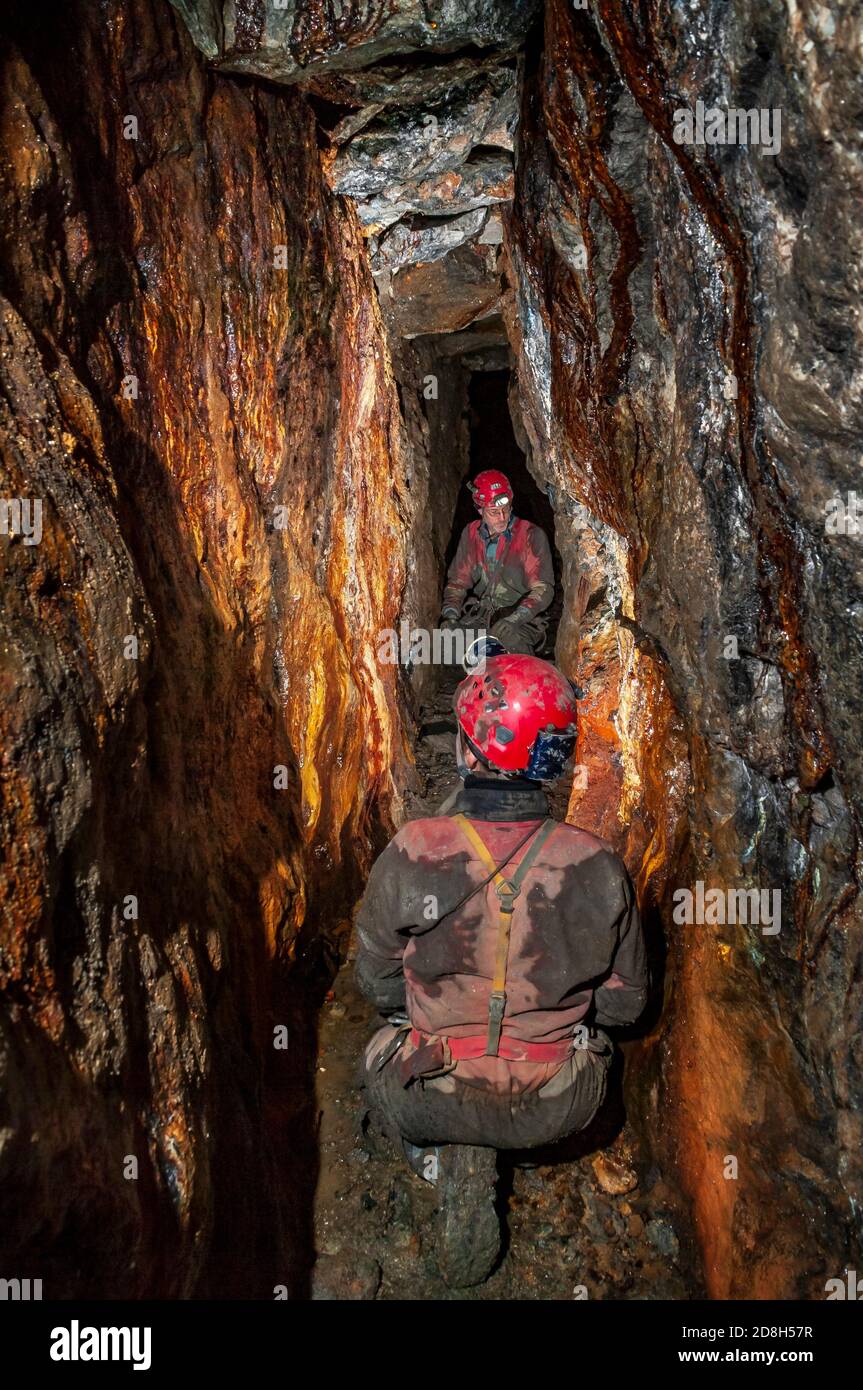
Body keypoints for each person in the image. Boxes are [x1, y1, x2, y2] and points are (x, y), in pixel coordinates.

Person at [355, 652, 648, 1172]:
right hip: (556, 1106)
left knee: (379, 1045)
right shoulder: (599, 866)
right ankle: (532, 1150)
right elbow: (627, 1008)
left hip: (429, 1095)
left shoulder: (415, 848)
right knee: (600, 1052)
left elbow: (376, 982)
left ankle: (431, 1144)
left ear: (470, 755)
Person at [440, 470, 555, 655]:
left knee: (509, 642)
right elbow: (457, 583)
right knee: (444, 641)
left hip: (520, 620)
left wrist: (516, 619)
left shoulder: (531, 535)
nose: (502, 517)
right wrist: (451, 616)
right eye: (494, 512)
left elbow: (543, 589)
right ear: (480, 510)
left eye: (506, 509)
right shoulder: (470, 534)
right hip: (481, 617)